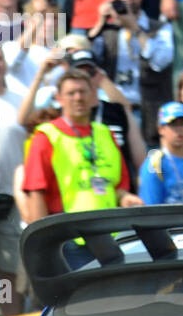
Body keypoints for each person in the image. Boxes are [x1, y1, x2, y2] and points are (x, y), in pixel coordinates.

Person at [20, 69, 143, 221]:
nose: (78, 98)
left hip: (109, 230)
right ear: (59, 99)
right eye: (71, 93)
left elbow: (118, 186)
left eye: (83, 92)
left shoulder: (105, 133)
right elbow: (35, 191)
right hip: (67, 233)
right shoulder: (46, 136)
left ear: (93, 96)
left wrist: (125, 197)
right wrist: (41, 240)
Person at [86, 0, 176, 140]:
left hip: (147, 110)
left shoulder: (159, 27)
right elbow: (87, 61)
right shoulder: (107, 29)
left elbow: (161, 62)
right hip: (112, 108)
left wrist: (135, 28)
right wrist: (99, 23)